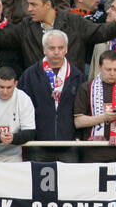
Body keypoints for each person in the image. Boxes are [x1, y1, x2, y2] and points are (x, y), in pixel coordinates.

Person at [14, 27, 83, 162]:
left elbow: (82, 109)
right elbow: (21, 108)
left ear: (66, 49)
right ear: (44, 49)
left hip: (69, 145)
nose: (56, 52)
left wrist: (77, 136)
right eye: (52, 48)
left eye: (60, 48)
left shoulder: (77, 76)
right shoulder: (30, 75)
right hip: (38, 145)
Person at [71, 50, 116, 162]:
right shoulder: (86, 88)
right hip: (93, 152)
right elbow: (78, 122)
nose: (112, 73)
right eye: (108, 69)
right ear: (99, 67)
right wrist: (104, 117)